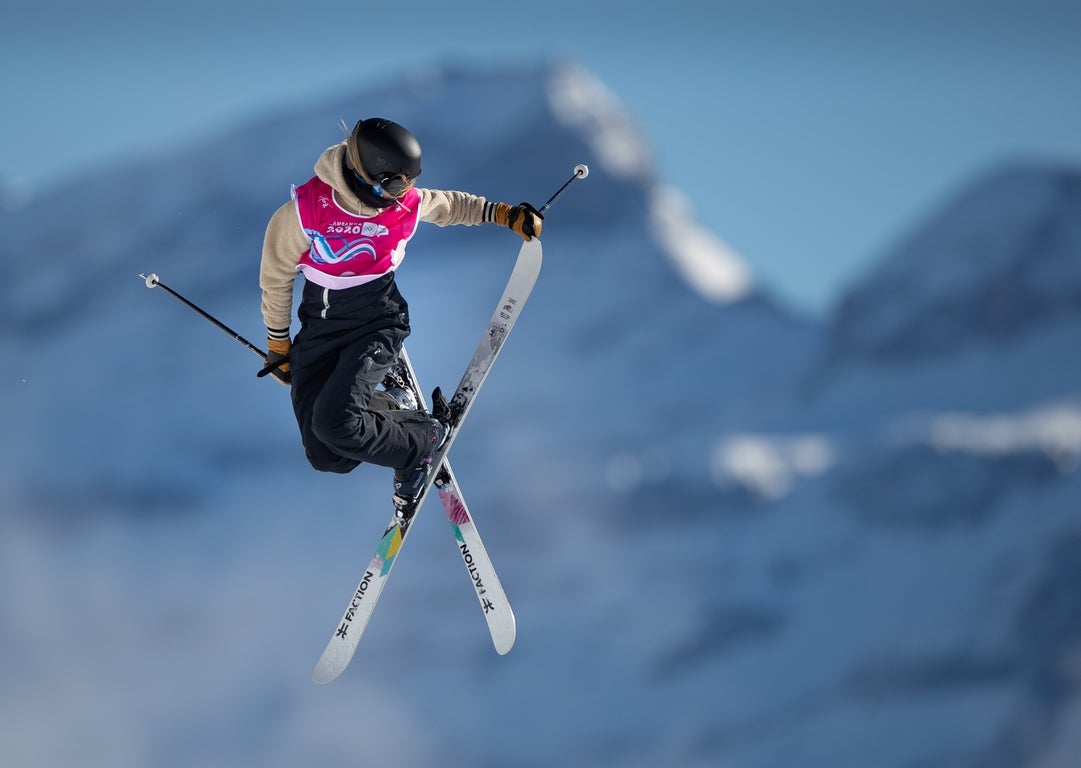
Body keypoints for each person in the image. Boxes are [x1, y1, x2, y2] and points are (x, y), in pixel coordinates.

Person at [259, 117, 541, 503]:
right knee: (326, 454)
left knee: (337, 424)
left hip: (376, 323)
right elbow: (276, 275)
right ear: (365, 173)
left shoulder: (404, 203)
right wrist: (278, 340)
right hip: (320, 327)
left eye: (409, 181)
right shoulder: (308, 211)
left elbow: (451, 205)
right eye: (394, 183)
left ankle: (422, 442)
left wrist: (503, 214)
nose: (403, 193)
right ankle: (397, 410)